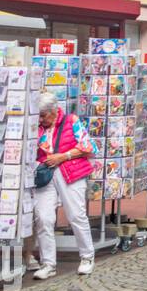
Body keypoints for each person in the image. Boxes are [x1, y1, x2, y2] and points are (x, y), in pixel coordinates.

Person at [31, 92, 96, 280]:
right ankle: (48, 263)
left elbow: (88, 146)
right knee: (43, 217)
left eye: (44, 115)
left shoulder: (71, 121)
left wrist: (64, 156)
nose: (41, 119)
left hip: (71, 171)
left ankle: (87, 257)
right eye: (39, 115)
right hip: (45, 173)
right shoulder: (37, 126)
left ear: (53, 111)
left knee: (76, 214)